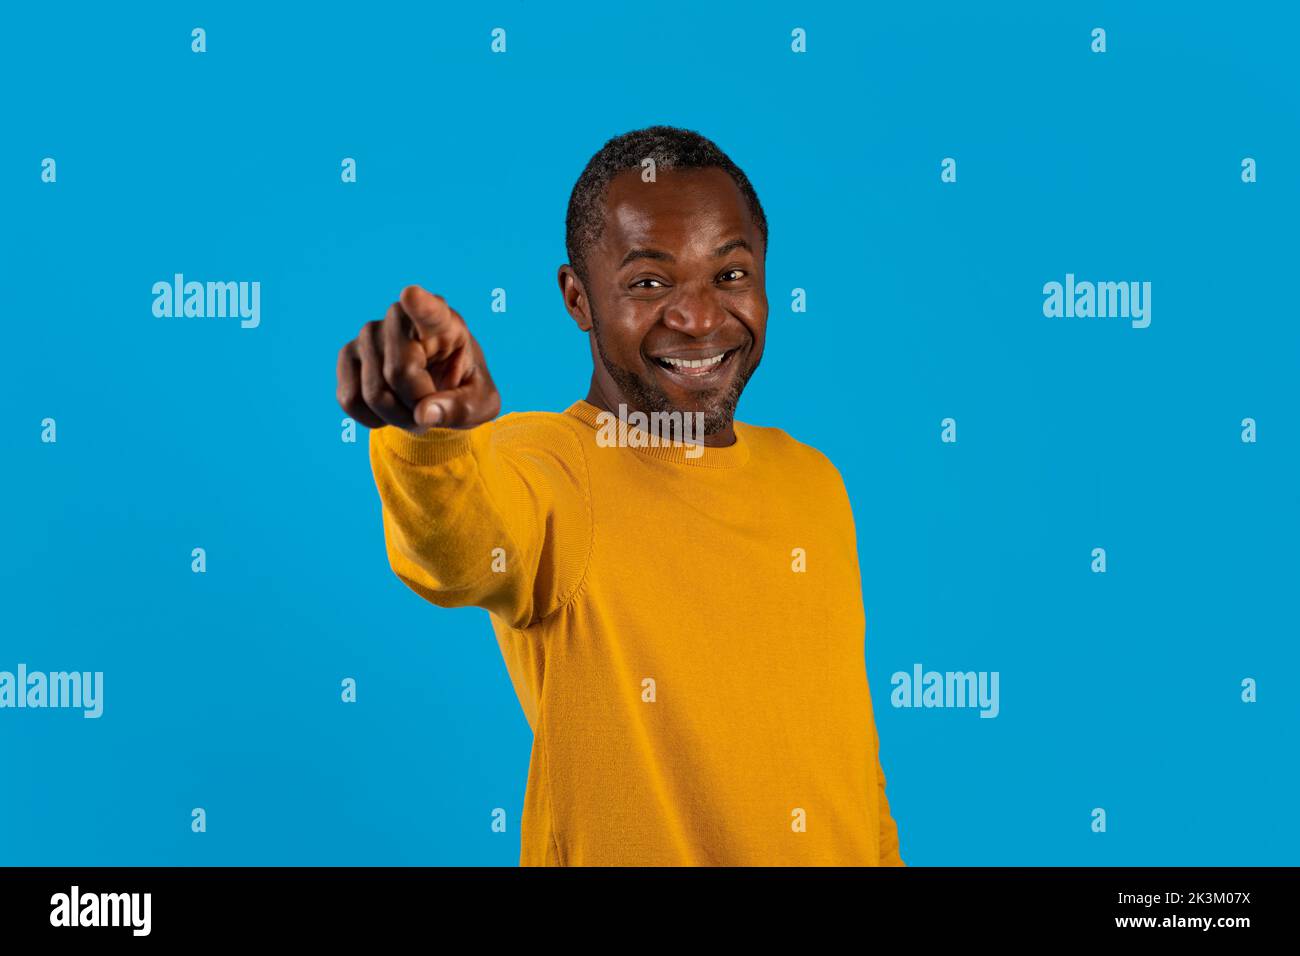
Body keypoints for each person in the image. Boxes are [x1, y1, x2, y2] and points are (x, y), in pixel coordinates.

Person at [336, 125, 905, 866]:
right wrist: (427, 437)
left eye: (730, 275)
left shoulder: (815, 482)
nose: (698, 318)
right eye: (648, 282)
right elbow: (459, 551)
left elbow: (853, 771)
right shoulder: (555, 464)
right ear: (578, 298)